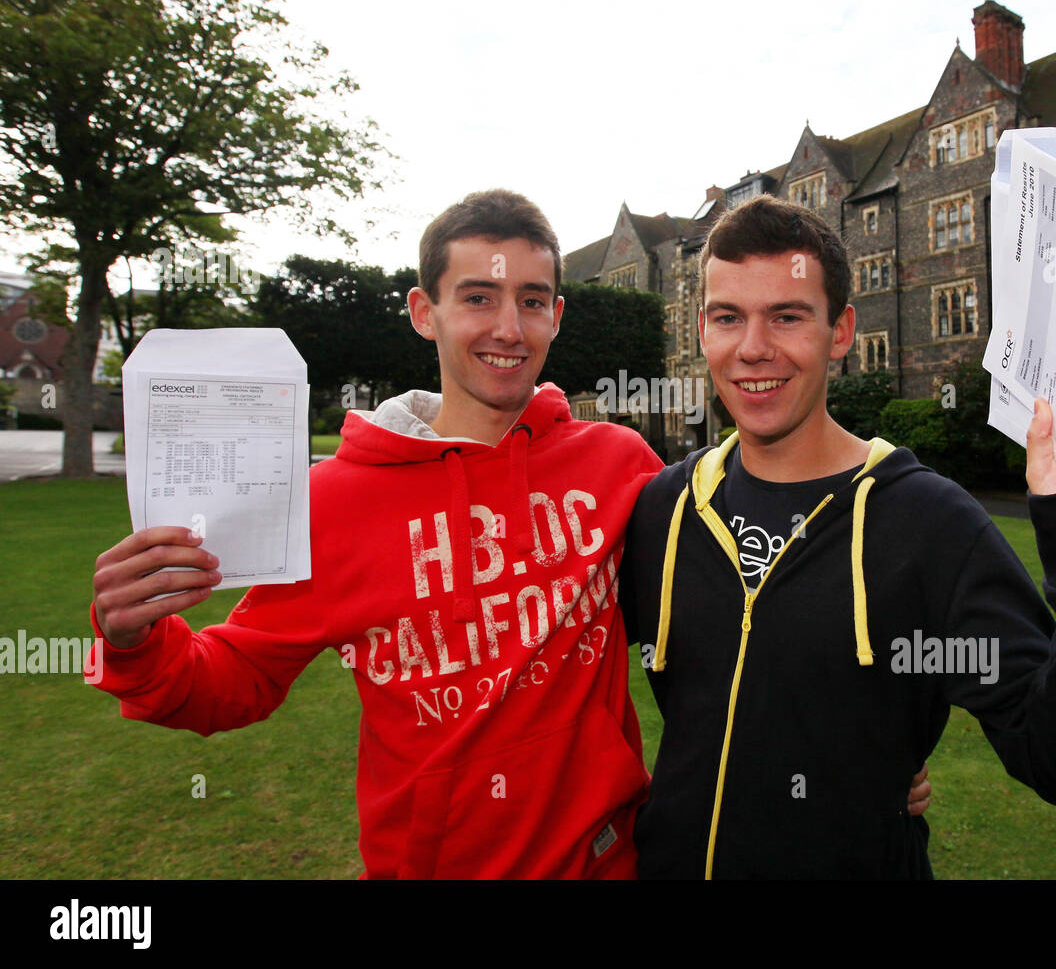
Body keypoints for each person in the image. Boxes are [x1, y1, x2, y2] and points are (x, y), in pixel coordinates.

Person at [86, 189, 664, 879]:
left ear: (556, 315)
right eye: (478, 298)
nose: (509, 328)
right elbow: (235, 679)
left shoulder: (618, 464)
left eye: (532, 301)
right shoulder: (334, 501)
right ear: (426, 313)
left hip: (609, 864)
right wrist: (135, 642)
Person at [619, 194, 1056, 879]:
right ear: (703, 329)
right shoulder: (662, 511)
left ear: (841, 330)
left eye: (787, 317)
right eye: (729, 317)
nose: (752, 348)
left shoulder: (929, 525)